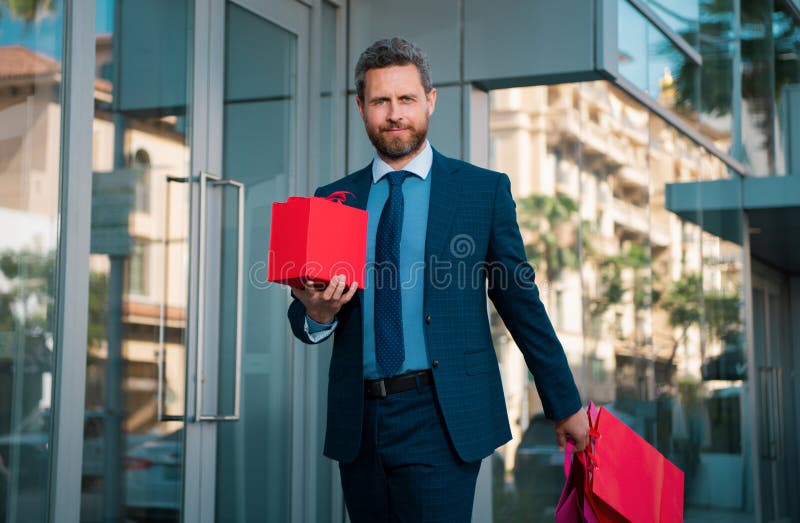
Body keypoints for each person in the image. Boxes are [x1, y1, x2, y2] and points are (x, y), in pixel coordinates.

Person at [287, 36, 589, 522]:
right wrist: (317, 316)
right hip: (359, 422)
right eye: (381, 101)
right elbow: (305, 314)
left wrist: (564, 403)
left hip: (442, 414)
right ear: (361, 107)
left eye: (406, 98)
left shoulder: (481, 191)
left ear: (430, 100)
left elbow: (520, 302)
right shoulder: (334, 199)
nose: (395, 113)